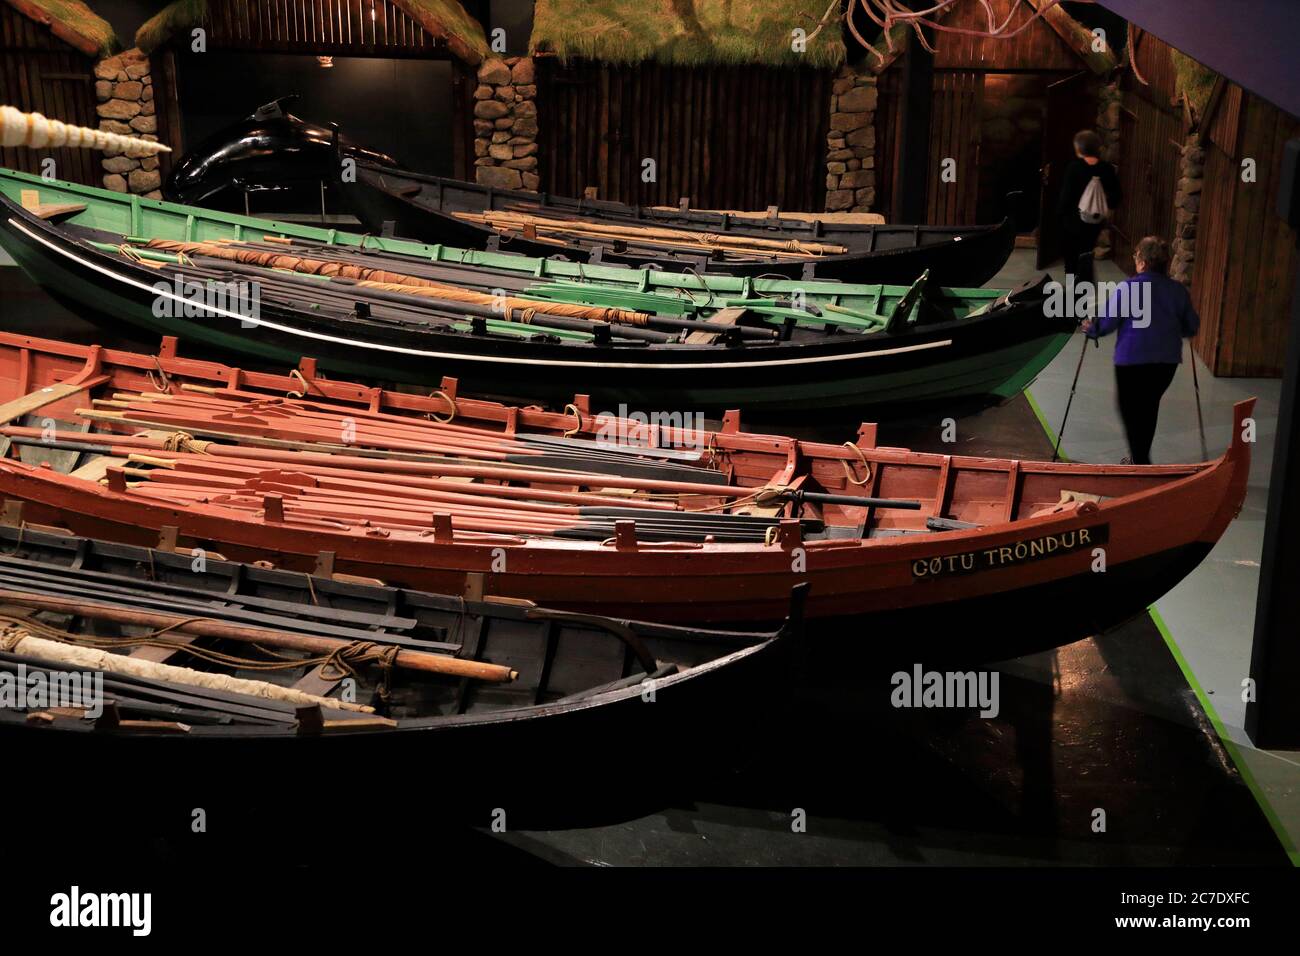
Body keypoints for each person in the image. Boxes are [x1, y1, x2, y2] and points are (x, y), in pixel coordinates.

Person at [1081, 236, 1200, 465]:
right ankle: (1139, 457)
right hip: (1165, 363)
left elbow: (1107, 323)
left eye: (1136, 257)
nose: (1135, 260)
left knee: (1131, 410)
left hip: (1132, 361)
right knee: (1148, 407)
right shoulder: (1177, 291)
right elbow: (1191, 327)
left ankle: (1140, 462)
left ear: (1143, 262)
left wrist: (1091, 329)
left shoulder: (1128, 288)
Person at [1056, 129, 1122, 280]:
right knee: (1086, 255)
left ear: (1078, 148)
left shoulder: (1074, 168)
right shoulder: (1106, 169)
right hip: (1095, 222)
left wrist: (1059, 217)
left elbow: (1065, 198)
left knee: (1071, 259)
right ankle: (1086, 288)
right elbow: (1116, 196)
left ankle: (1074, 292)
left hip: (1072, 222)